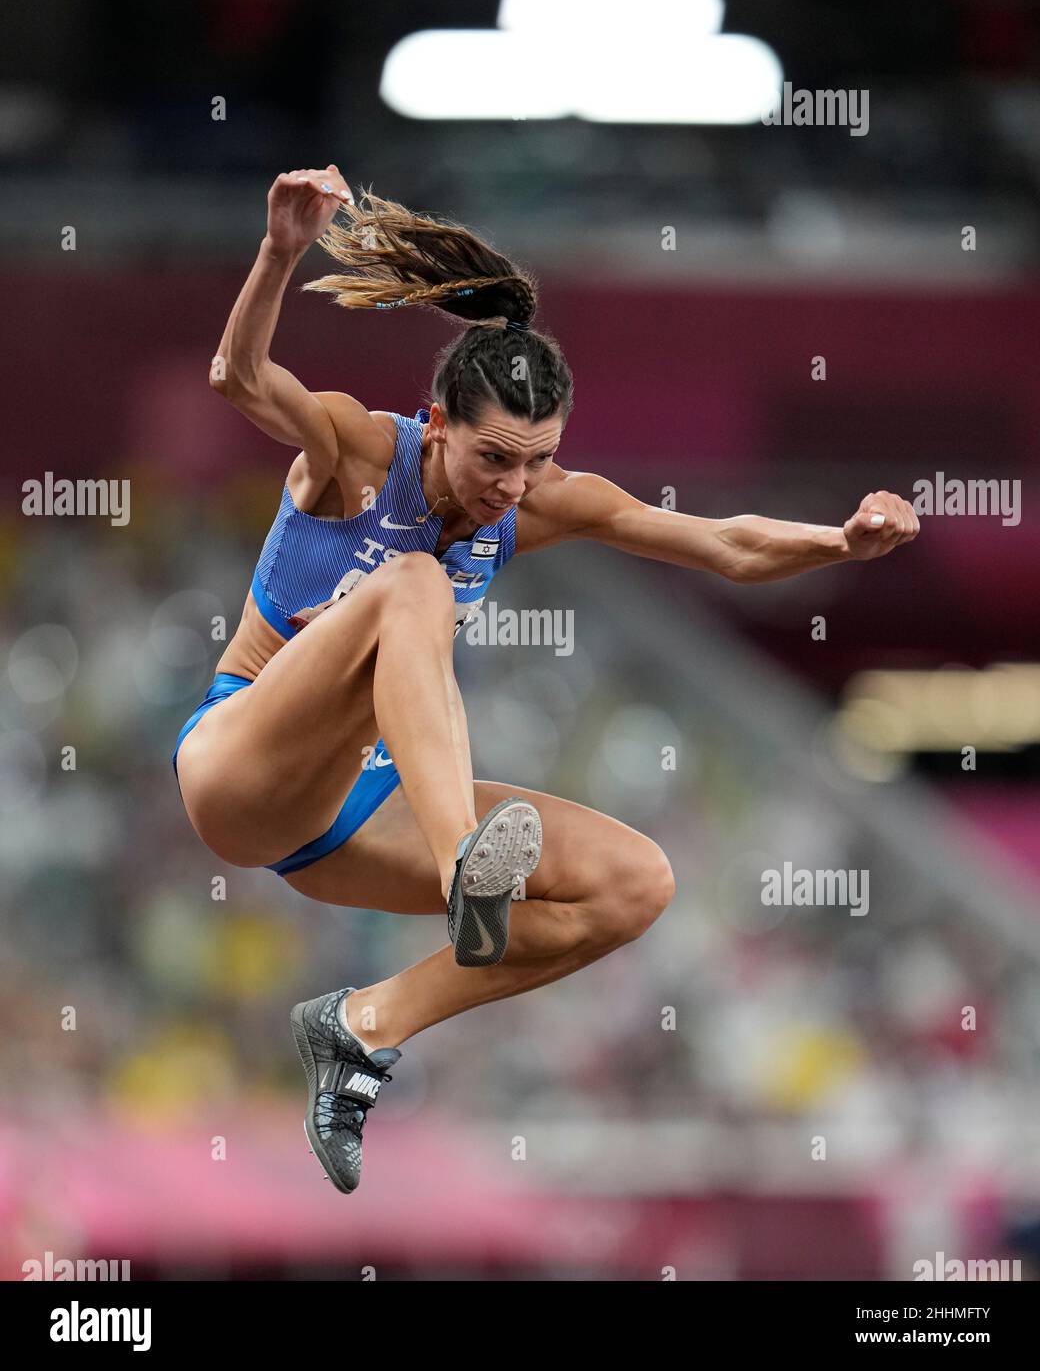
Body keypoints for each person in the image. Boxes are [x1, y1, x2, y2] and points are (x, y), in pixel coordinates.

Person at [171, 164, 920, 1192]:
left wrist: (837, 542)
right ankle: (458, 870)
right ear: (435, 421)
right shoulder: (354, 450)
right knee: (413, 587)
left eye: (537, 460)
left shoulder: (532, 501)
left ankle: (360, 1027)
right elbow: (238, 379)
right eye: (494, 459)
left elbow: (724, 546)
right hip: (235, 765)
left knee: (631, 884)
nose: (513, 488)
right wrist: (278, 252)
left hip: (346, 812)